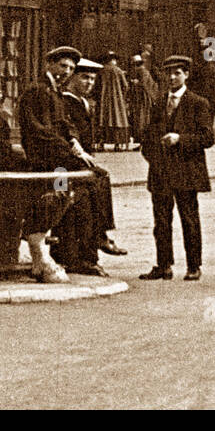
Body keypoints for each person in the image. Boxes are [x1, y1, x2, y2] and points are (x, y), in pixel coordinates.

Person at [15, 46, 92, 283]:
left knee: (67, 194)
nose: (66, 72)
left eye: (70, 68)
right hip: (46, 161)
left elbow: (62, 123)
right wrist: (68, 150)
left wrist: (74, 143)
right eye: (62, 66)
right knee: (56, 197)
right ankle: (40, 255)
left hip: (57, 159)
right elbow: (38, 130)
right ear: (49, 64)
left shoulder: (54, 91)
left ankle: (57, 252)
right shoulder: (37, 90)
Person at [139, 55, 214, 282]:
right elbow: (149, 135)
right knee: (161, 221)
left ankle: (193, 265)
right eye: (168, 73)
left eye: (177, 73)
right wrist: (152, 157)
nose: (172, 77)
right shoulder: (159, 102)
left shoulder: (198, 103)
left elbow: (207, 138)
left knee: (189, 219)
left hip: (186, 171)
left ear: (186, 75)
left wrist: (180, 139)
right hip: (161, 172)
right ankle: (164, 265)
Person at [53, 58, 127, 275]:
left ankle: (88, 249)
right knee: (85, 192)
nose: (89, 83)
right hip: (61, 167)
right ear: (73, 78)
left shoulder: (82, 102)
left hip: (76, 162)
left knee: (88, 197)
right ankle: (94, 243)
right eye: (84, 77)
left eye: (93, 79)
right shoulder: (66, 101)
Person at [96, 52, 132, 151]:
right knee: (118, 120)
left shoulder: (101, 71)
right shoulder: (118, 71)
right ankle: (118, 144)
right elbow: (125, 86)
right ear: (113, 60)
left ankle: (101, 143)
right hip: (117, 100)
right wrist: (122, 96)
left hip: (104, 100)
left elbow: (97, 86)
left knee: (103, 120)